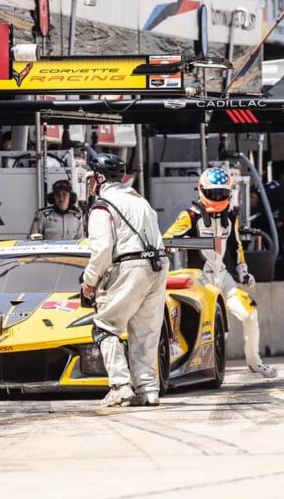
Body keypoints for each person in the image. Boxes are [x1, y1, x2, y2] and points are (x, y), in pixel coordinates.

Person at [164, 167, 277, 379]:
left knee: (249, 314)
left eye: (222, 193)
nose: (218, 197)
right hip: (200, 280)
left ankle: (254, 362)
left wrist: (243, 271)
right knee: (214, 326)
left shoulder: (231, 217)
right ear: (201, 190)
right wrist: (186, 243)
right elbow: (167, 240)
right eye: (213, 193)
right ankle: (208, 368)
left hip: (223, 277)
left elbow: (236, 247)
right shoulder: (189, 216)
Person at [81, 153, 168, 407]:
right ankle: (148, 389)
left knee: (105, 326)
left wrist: (90, 281)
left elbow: (102, 251)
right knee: (146, 332)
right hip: (158, 263)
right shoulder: (139, 199)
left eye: (90, 177)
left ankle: (120, 385)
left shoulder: (102, 206)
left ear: (99, 177)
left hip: (130, 265)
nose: (89, 183)